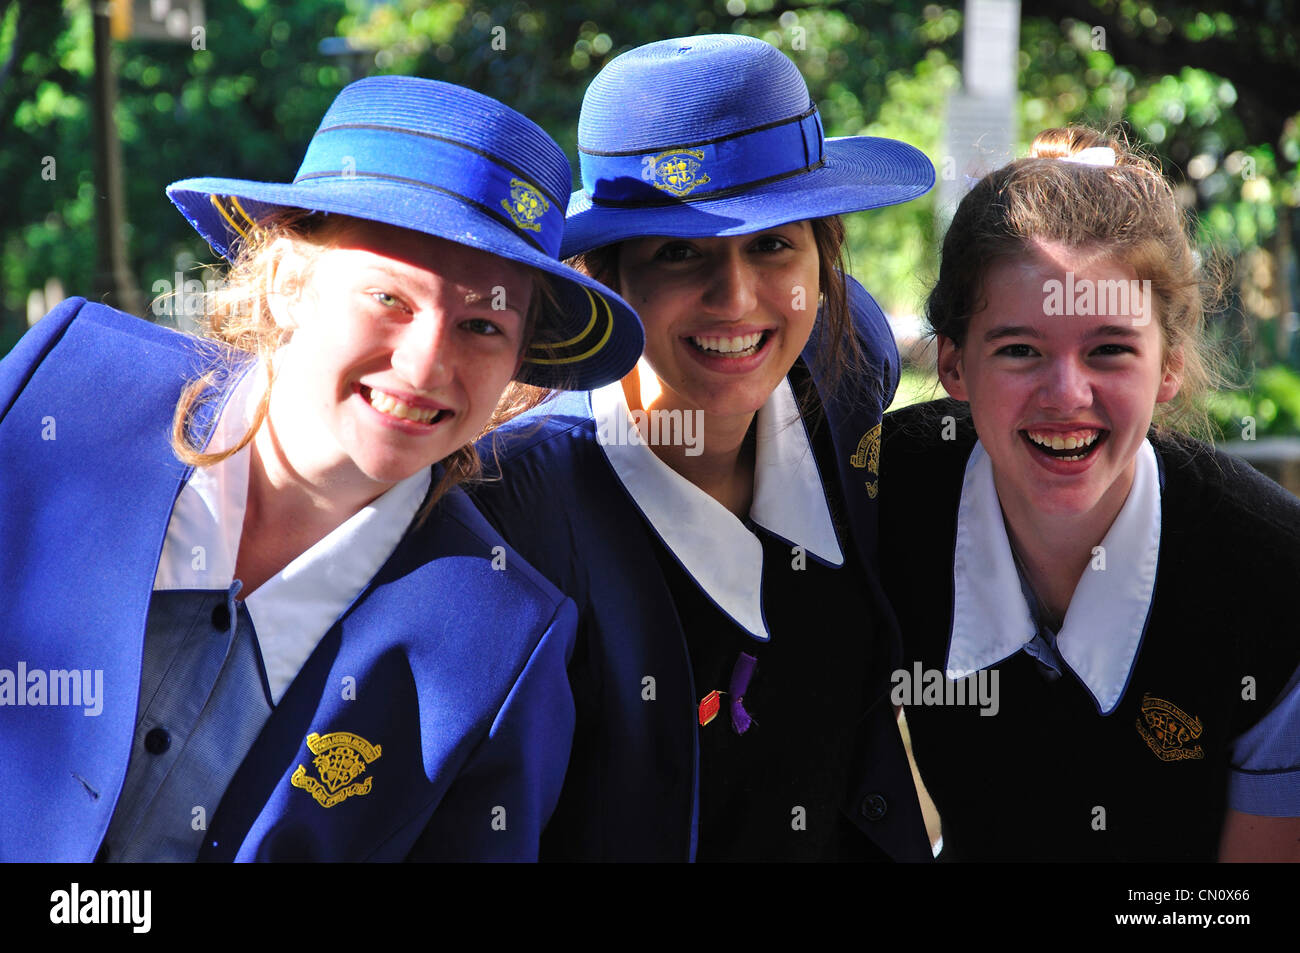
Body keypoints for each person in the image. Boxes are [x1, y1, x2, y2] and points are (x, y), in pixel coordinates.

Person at [0, 76, 642, 862]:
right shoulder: (65, 396)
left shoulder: (499, 646)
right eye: (390, 298)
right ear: (283, 282)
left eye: (482, 324)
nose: (426, 361)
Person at [469, 34, 936, 860]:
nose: (738, 298)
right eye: (679, 253)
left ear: (825, 267)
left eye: (772, 244)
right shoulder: (511, 523)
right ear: (606, 280)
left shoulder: (847, 371)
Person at [879, 127, 1300, 861]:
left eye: (1109, 349)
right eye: (1020, 350)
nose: (1066, 395)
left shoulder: (1274, 581)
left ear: (1168, 365)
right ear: (953, 364)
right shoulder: (878, 498)